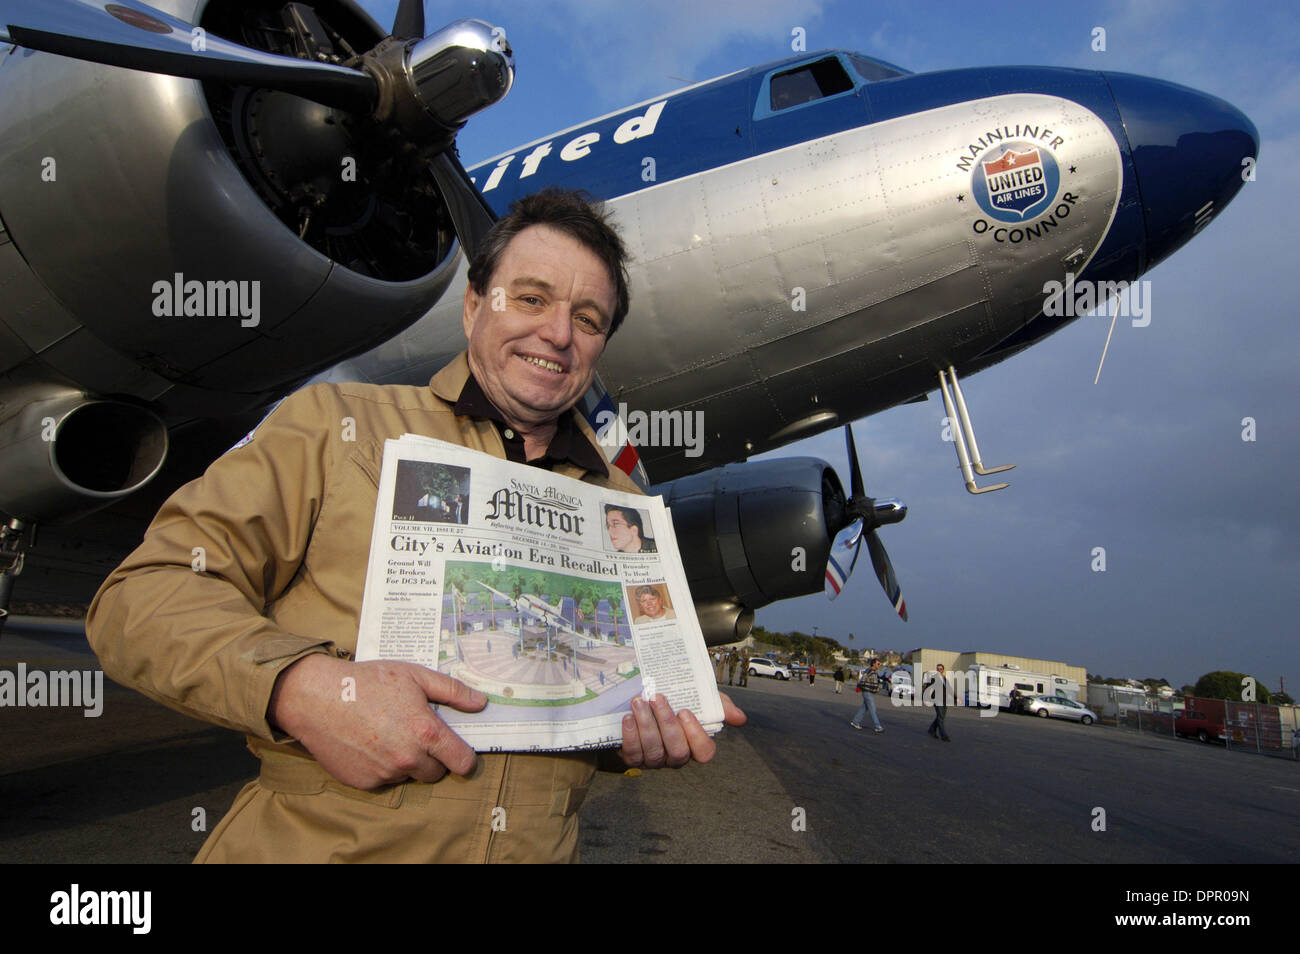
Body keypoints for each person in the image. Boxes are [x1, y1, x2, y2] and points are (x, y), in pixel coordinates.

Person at [85, 188, 745, 863]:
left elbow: (581, 710)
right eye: (530, 298)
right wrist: (297, 687)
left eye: (587, 317)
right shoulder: (334, 425)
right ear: (472, 306)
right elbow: (140, 597)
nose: (557, 334)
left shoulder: (624, 505)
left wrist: (627, 738)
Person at [850, 658, 885, 733]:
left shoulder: (874, 672)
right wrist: (860, 687)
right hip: (867, 692)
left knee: (864, 707)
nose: (879, 665)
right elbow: (862, 680)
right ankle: (877, 726)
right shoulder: (869, 671)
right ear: (873, 664)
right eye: (878, 664)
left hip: (870, 692)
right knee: (872, 709)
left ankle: (855, 721)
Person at [925, 663, 952, 742]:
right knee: (941, 718)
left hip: (945, 700)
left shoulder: (945, 679)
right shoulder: (934, 678)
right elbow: (927, 687)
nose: (939, 670)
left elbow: (949, 689)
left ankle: (931, 730)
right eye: (938, 669)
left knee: (941, 717)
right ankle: (944, 736)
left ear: (943, 670)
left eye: (940, 669)